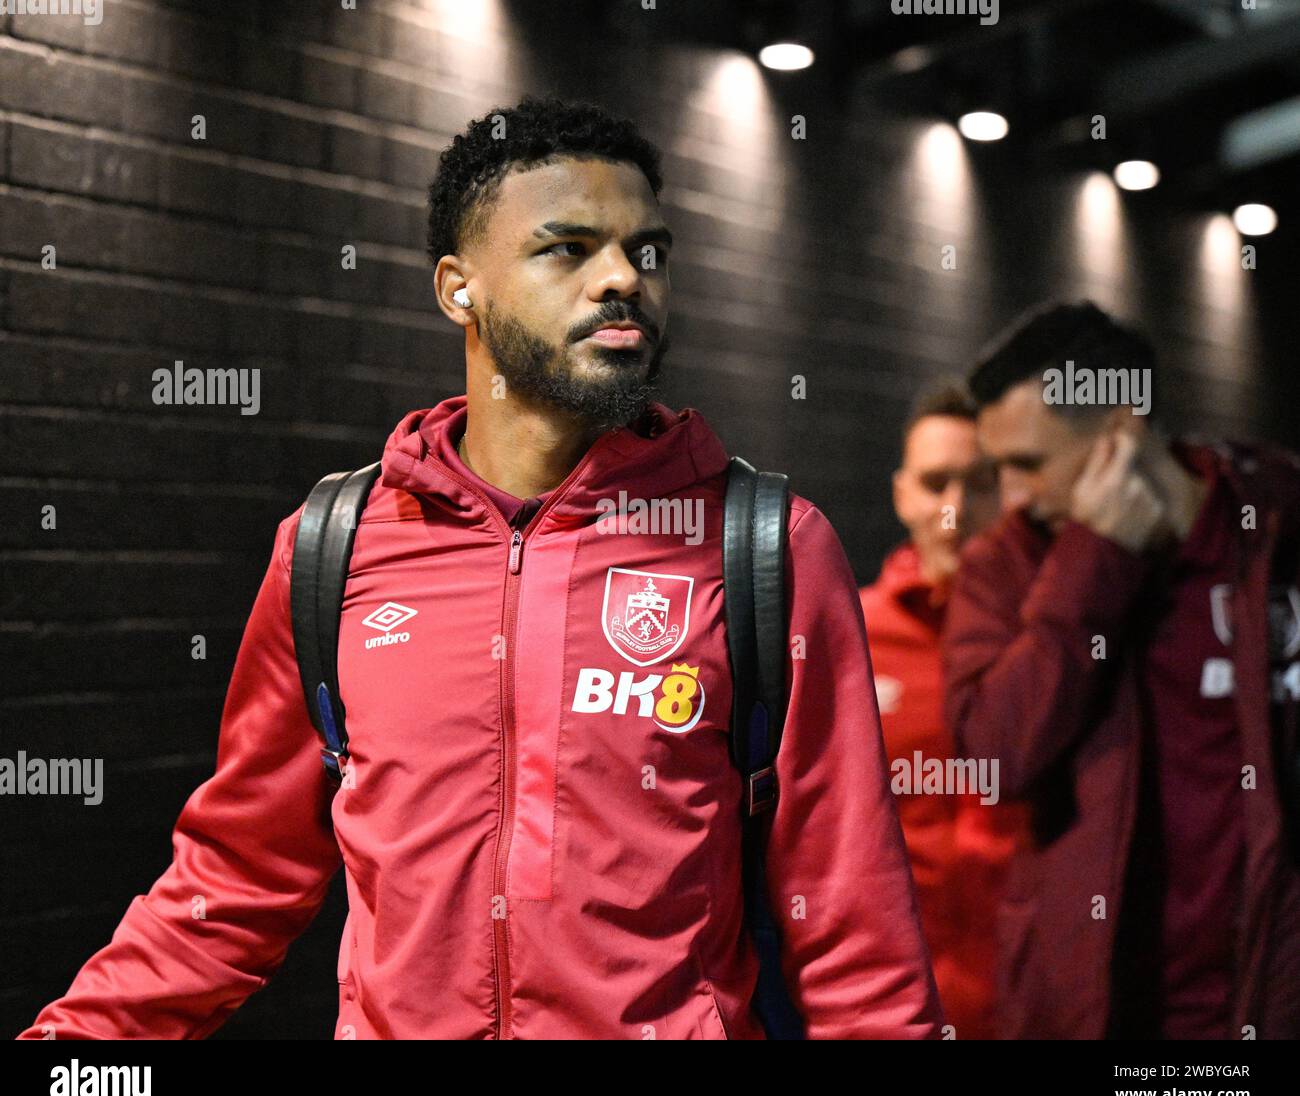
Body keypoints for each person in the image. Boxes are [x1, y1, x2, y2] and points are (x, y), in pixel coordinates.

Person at [19, 96, 941, 1040]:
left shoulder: (766, 546)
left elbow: (855, 933)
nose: (623, 278)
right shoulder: (333, 547)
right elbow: (233, 881)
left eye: (647, 251)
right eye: (568, 248)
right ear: (459, 289)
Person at [944, 299, 1300, 1039]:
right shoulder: (1007, 564)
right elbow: (992, 758)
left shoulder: (1275, 527)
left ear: (1120, 429)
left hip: (1265, 1001)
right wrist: (1094, 562)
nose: (1012, 496)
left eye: (1028, 464)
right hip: (1097, 1009)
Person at [859, 385, 1022, 1039]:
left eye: (980, 483)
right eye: (935, 484)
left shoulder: (1056, 635)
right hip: (889, 1012)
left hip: (1033, 1010)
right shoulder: (846, 631)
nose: (955, 509)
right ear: (902, 494)